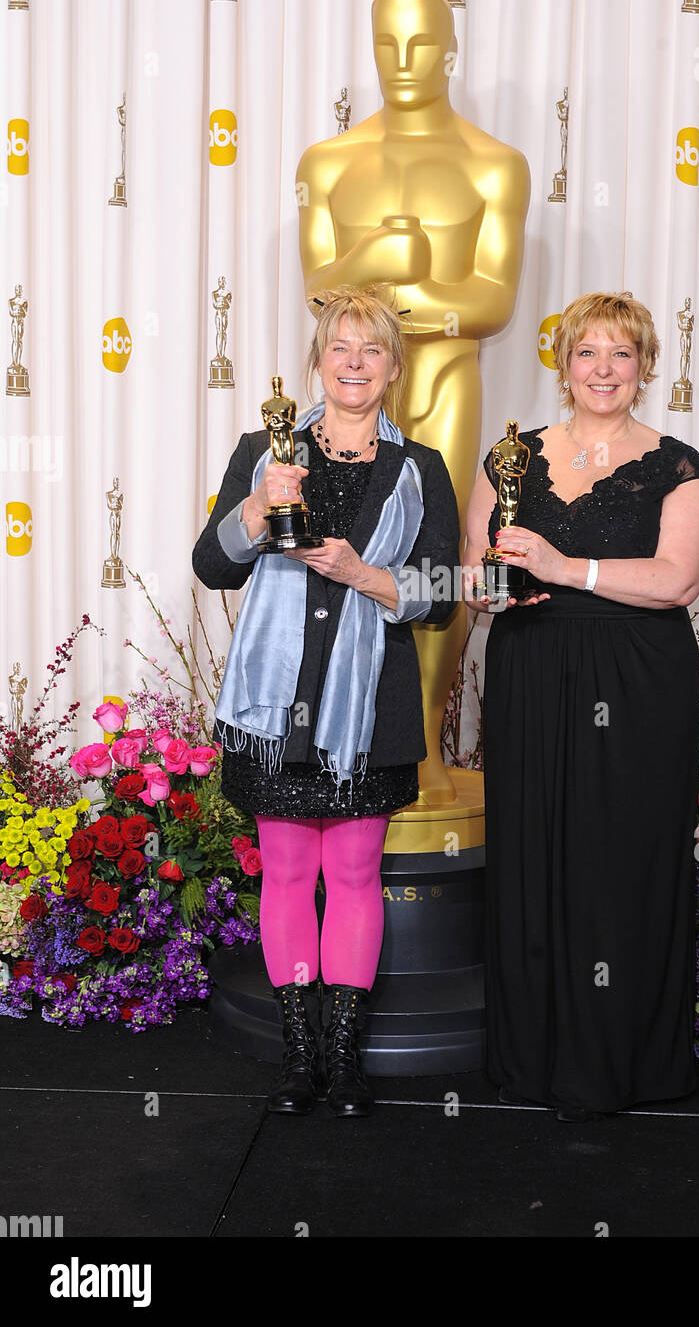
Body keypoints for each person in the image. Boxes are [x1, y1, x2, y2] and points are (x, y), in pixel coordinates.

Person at [193, 286, 460, 1118]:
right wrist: (253, 505)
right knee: (286, 873)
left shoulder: (420, 469)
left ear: (392, 368)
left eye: (371, 350)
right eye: (340, 347)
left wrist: (363, 575)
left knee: (352, 875)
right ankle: (297, 1056)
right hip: (276, 705)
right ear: (318, 358)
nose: (353, 362)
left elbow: (446, 593)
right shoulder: (264, 450)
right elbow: (214, 564)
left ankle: (344, 1060)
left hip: (368, 703)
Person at [463, 291, 699, 1120]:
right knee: (535, 849)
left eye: (621, 354)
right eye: (587, 353)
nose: (603, 370)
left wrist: (561, 563)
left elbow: (678, 579)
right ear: (563, 363)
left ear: (646, 367)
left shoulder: (680, 464)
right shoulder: (510, 458)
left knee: (621, 858)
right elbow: (472, 579)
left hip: (639, 684)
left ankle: (625, 1063)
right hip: (532, 673)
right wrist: (489, 592)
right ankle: (533, 1059)